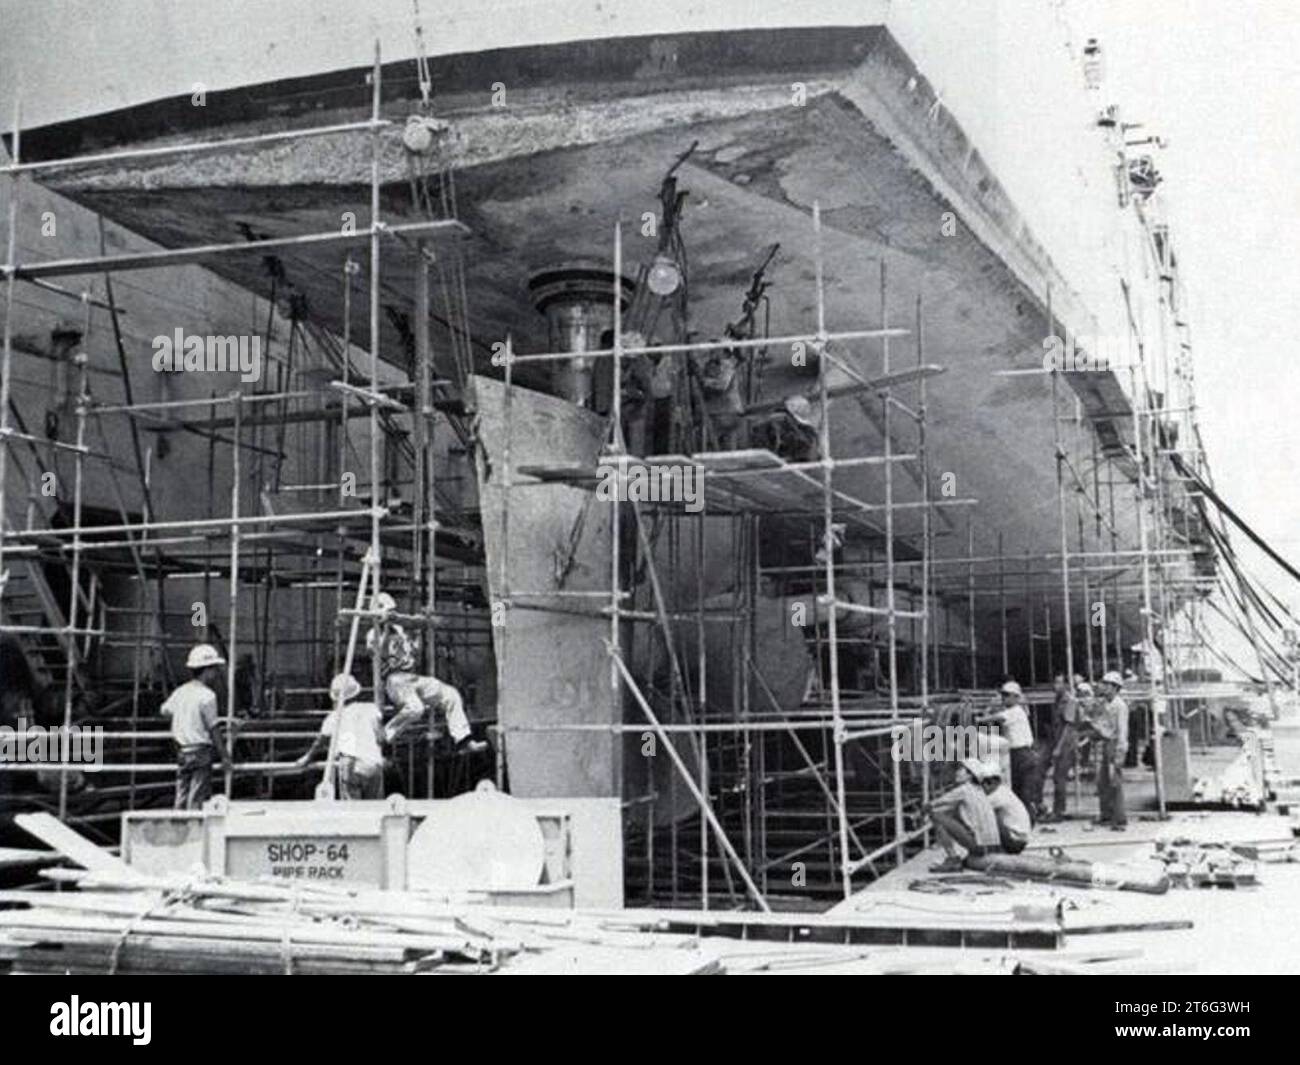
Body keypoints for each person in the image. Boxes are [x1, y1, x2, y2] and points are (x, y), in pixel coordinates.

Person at [366, 592, 487, 754]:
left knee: (451, 694)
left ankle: (463, 740)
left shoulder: (400, 630)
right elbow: (379, 653)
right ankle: (386, 735)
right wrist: (387, 628)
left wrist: (418, 632)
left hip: (412, 677)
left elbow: (414, 652)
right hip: (395, 679)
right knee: (416, 708)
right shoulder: (373, 634)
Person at [161, 644, 232, 810]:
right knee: (197, 797)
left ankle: (178, 828)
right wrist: (225, 756)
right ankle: (194, 832)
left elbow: (164, 710)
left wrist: (184, 717)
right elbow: (213, 729)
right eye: (213, 669)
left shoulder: (181, 692)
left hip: (182, 750)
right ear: (206, 670)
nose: (215, 674)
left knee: (182, 794)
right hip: (200, 751)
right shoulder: (207, 696)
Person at [296, 673, 385, 799]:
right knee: (373, 810)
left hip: (350, 763)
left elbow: (320, 742)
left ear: (335, 698)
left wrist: (307, 757)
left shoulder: (334, 717)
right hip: (373, 762)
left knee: (352, 811)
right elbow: (381, 737)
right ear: (357, 693)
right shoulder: (371, 709)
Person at [924, 757, 1002, 872]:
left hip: (979, 847)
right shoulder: (978, 790)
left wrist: (924, 810)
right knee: (950, 813)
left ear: (970, 775)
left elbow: (933, 805)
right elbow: (947, 804)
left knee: (936, 816)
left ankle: (953, 859)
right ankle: (957, 857)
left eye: (961, 770)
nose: (957, 772)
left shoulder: (964, 790)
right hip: (993, 846)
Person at [979, 680, 1039, 823]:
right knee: (1017, 789)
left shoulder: (1016, 711)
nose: (1004, 698)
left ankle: (1029, 820)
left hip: (1022, 754)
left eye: (1007, 695)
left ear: (1015, 697)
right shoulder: (1011, 711)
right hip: (1017, 754)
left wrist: (980, 719)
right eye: (1003, 695)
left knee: (1023, 791)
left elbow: (997, 718)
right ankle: (1024, 819)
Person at [1085, 670, 1129, 830]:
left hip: (1115, 744)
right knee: (1103, 781)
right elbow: (1102, 724)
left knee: (1114, 782)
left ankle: (1119, 818)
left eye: (1107, 685)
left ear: (1115, 687)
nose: (1104, 687)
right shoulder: (1106, 703)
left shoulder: (1120, 705)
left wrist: (1120, 751)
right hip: (1107, 743)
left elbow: (1122, 730)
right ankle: (1106, 814)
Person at [1045, 673, 1084, 821]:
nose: (1055, 686)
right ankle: (1058, 809)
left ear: (1067, 685)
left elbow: (1068, 727)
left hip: (1066, 744)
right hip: (1059, 741)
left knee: (1059, 777)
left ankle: (1058, 811)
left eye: (1059, 683)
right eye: (1055, 682)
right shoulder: (1058, 700)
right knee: (1057, 778)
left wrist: (1058, 748)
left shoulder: (1069, 701)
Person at [979, 759, 1032, 854]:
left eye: (984, 784)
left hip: (1015, 840)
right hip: (1019, 838)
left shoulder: (997, 795)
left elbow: (977, 809)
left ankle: (994, 849)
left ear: (992, 782)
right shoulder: (1004, 791)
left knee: (987, 815)